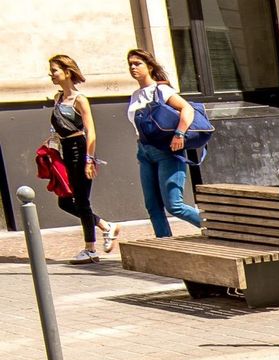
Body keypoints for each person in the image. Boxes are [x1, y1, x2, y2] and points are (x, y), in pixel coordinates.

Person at [124, 49, 202, 239]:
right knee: (152, 205)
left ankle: (220, 227)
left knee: (175, 205)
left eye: (137, 63)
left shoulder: (161, 90)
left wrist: (179, 134)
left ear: (150, 67)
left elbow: (187, 109)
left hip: (167, 151)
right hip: (144, 151)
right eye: (130, 64)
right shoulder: (135, 95)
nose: (133, 67)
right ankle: (164, 242)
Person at [45, 55, 116, 264]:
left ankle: (90, 249)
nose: (51, 74)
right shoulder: (58, 98)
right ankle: (105, 226)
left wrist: (89, 159)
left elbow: (90, 131)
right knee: (65, 201)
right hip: (64, 149)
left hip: (79, 149)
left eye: (54, 70)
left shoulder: (80, 99)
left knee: (82, 200)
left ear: (67, 72)